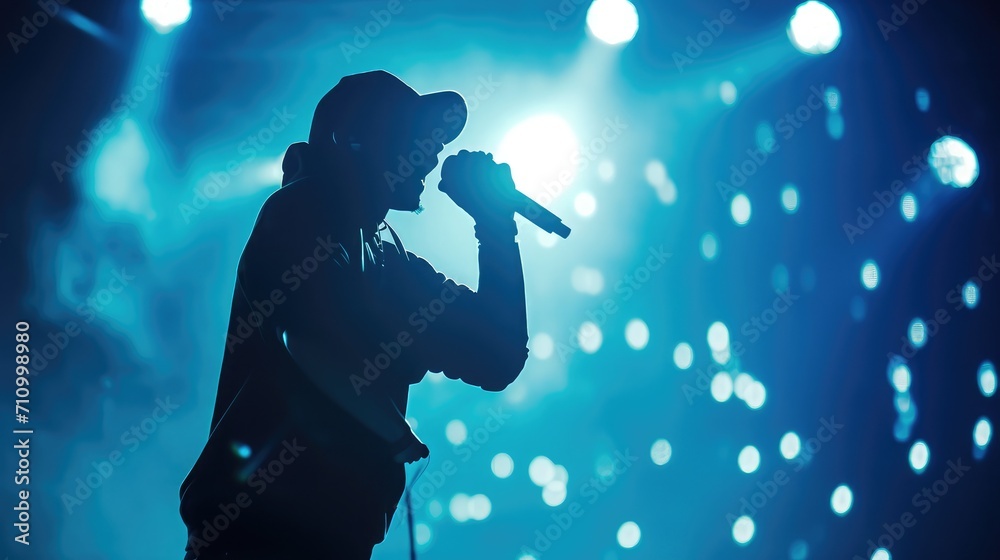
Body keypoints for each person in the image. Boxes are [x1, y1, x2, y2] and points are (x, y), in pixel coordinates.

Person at [179, 70, 530, 559]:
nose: (430, 151)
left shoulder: (394, 266)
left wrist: (495, 227)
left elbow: (497, 356)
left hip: (340, 539)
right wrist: (391, 429)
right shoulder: (297, 209)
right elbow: (304, 337)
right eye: (412, 134)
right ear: (354, 138)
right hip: (252, 531)